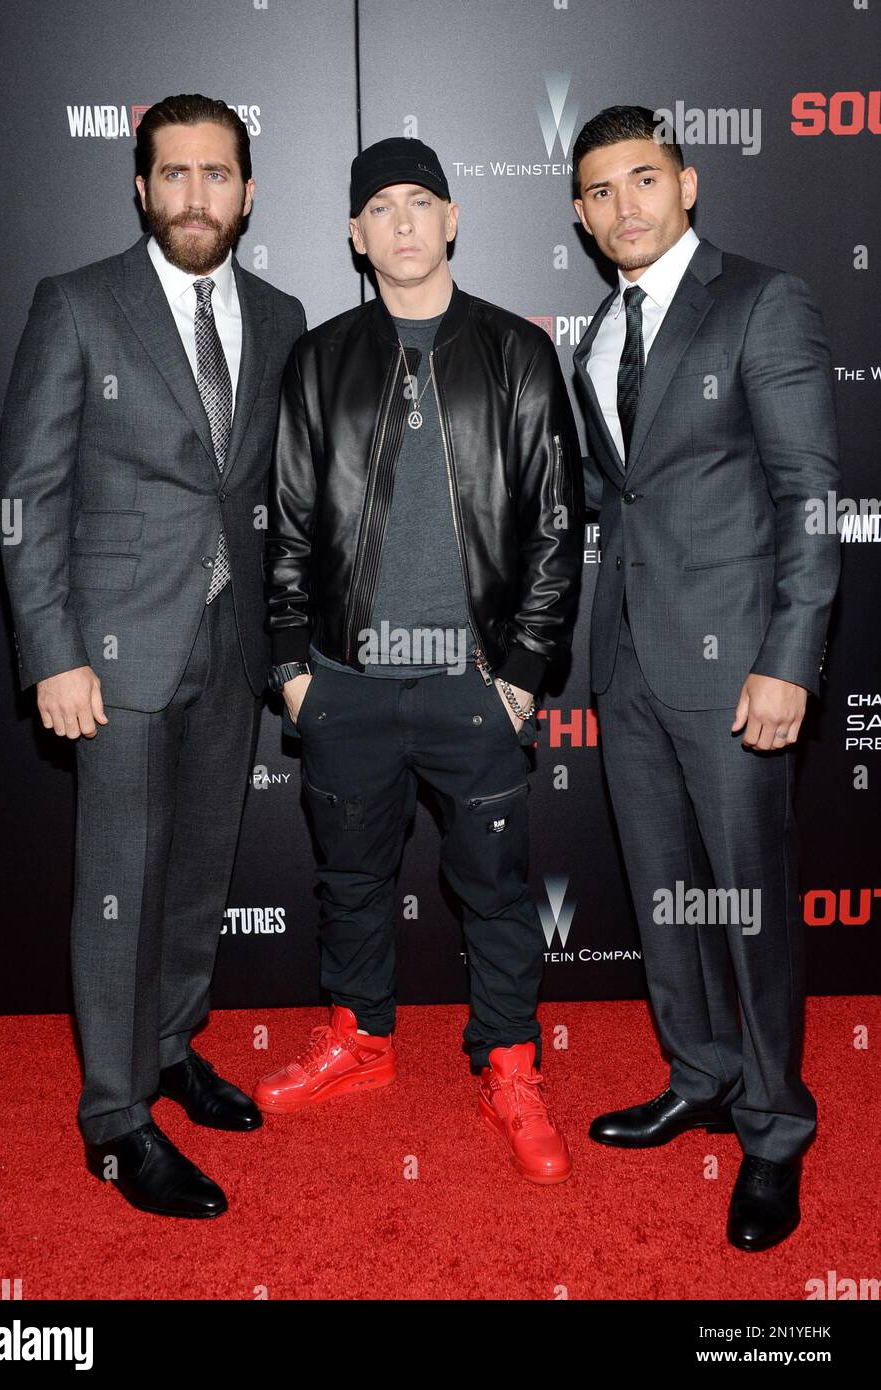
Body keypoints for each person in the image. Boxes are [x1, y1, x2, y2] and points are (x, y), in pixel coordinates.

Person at [0, 93, 305, 1218]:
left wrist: (284, 640)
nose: (193, 196)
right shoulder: (77, 303)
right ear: (140, 187)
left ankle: (172, 1047)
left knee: (197, 872)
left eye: (216, 175)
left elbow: (269, 491)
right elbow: (26, 497)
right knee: (120, 885)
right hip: (114, 651)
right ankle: (116, 1118)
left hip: (227, 647)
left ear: (248, 191)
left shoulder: (278, 312)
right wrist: (54, 652)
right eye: (171, 174)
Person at [257, 136, 584, 1184]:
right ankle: (361, 1039)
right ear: (355, 235)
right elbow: (292, 523)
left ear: (452, 220)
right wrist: (293, 669)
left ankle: (510, 1060)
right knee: (351, 879)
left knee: (493, 886)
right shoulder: (321, 357)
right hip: (345, 680)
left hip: (473, 680)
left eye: (420, 203)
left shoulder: (517, 353)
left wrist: (525, 672)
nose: (402, 222)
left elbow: (554, 525)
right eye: (380, 208)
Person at [570, 105, 841, 1248]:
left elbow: (810, 498)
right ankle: (700, 1073)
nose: (623, 206)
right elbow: (617, 497)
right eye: (598, 191)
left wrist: (790, 662)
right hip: (628, 661)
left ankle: (775, 1127)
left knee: (747, 902)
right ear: (580, 215)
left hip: (737, 668)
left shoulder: (761, 301)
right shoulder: (595, 329)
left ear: (689, 186)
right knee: (664, 897)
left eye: (643, 179)